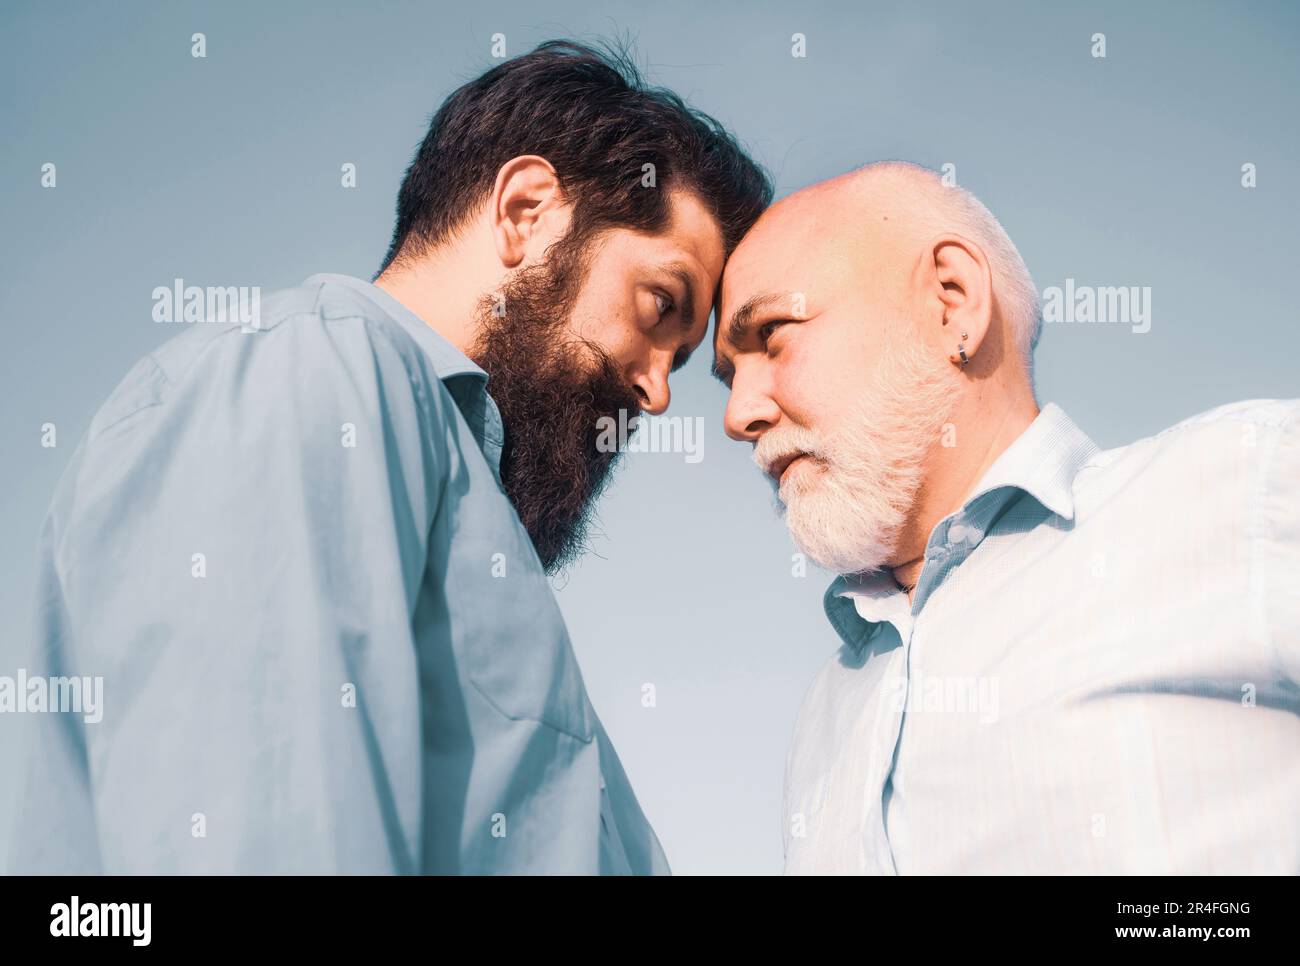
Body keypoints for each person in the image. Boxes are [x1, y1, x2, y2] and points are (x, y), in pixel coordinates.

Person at [8, 40, 771, 874]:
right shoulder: (314, 376)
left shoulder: (447, 477)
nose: (658, 393)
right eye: (661, 304)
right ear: (526, 212)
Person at [713, 161, 1299, 874]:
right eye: (729, 376)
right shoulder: (824, 713)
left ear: (952, 302)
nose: (738, 415)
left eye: (772, 334)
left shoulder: (1249, 481)